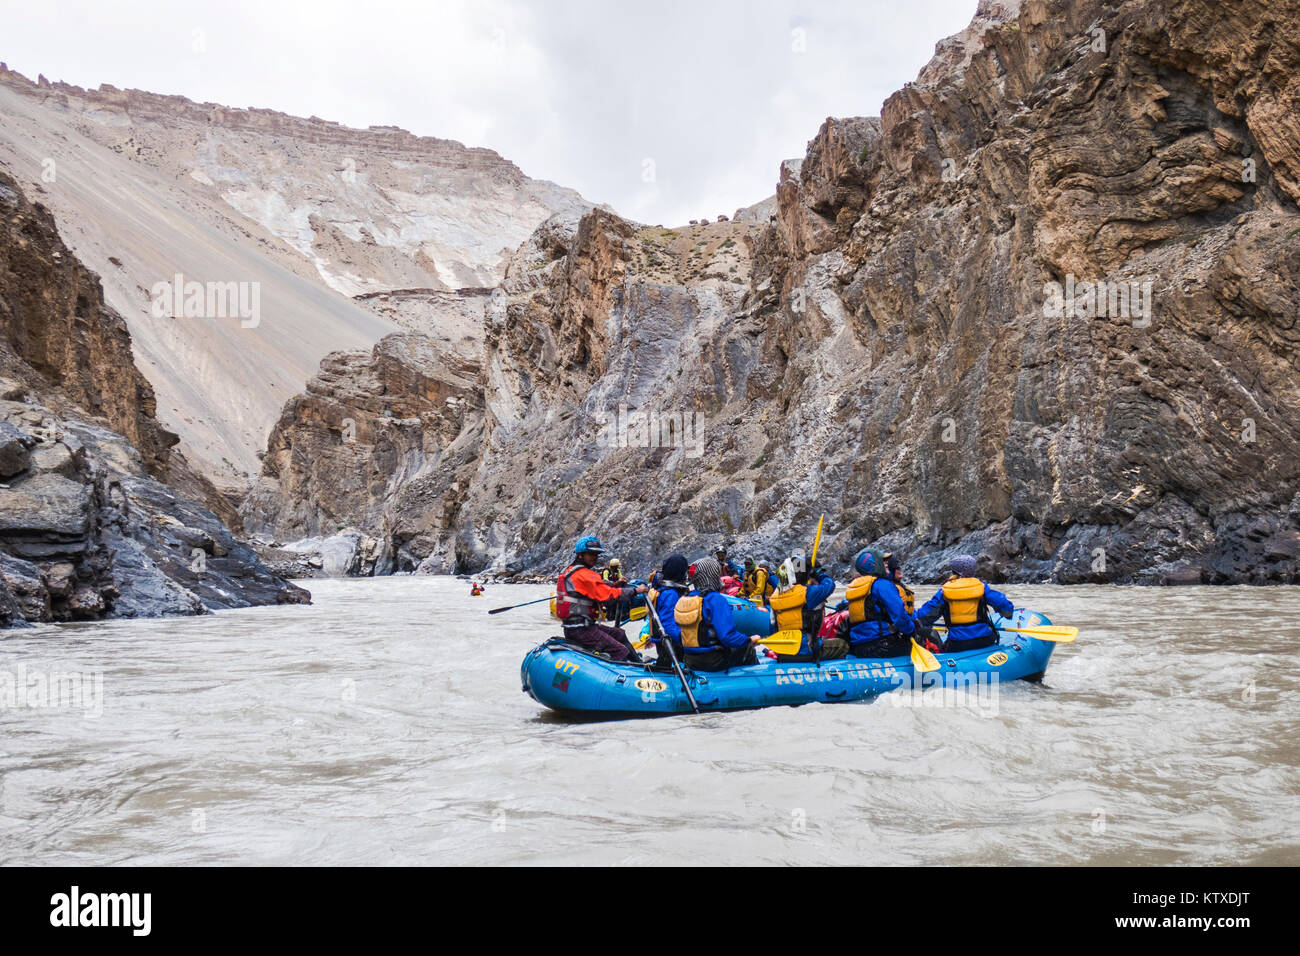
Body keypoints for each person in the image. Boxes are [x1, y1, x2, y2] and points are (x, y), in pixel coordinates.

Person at [555, 536, 648, 662]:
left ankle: (638, 662)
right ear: (581, 555)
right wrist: (635, 591)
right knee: (621, 650)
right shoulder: (584, 575)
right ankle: (632, 673)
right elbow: (609, 596)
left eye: (596, 554)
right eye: (591, 553)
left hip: (578, 627)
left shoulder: (572, 571)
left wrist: (615, 584)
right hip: (582, 630)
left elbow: (597, 586)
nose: (594, 557)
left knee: (619, 634)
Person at [673, 557, 762, 671]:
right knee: (748, 650)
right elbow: (728, 637)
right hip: (714, 661)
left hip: (690, 659)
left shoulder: (685, 598)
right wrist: (749, 640)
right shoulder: (715, 599)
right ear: (712, 574)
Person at [915, 554, 1015, 653]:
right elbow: (1007, 609)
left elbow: (923, 617)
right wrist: (1007, 614)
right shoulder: (982, 588)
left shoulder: (944, 592)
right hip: (984, 640)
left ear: (954, 571)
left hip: (957, 643)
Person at [840, 549, 918, 658]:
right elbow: (899, 615)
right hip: (882, 645)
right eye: (883, 561)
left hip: (858, 647)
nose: (887, 563)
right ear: (873, 565)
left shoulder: (855, 586)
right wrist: (911, 631)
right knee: (922, 638)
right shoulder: (882, 585)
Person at [768, 550, 839, 661]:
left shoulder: (774, 597)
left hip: (783, 653)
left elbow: (772, 628)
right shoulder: (808, 593)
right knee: (842, 645)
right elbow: (829, 585)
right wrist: (819, 574)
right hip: (807, 651)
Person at [646, 554, 690, 669]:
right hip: (668, 642)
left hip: (664, 639)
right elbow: (668, 625)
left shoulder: (663, 587)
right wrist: (685, 639)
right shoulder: (670, 593)